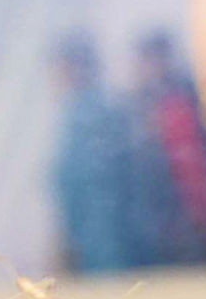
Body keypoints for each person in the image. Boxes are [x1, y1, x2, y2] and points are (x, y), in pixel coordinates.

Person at [46, 33, 162, 276]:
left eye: (65, 66)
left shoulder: (93, 115)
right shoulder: (79, 112)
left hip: (108, 245)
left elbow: (99, 188)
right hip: (95, 240)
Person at [128, 30, 206, 267]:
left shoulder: (177, 102)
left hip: (183, 223)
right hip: (163, 222)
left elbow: (193, 167)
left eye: (150, 59)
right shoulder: (142, 103)